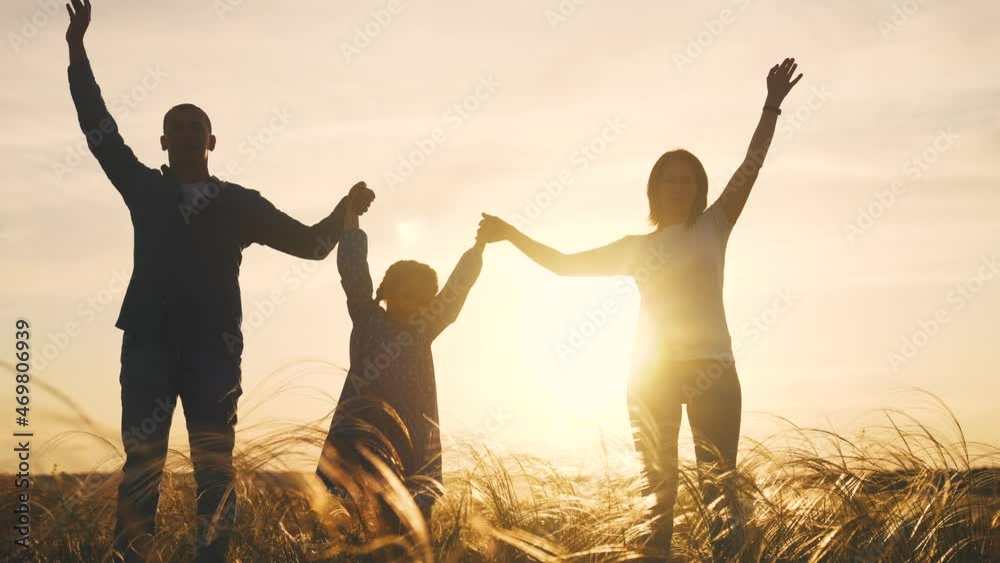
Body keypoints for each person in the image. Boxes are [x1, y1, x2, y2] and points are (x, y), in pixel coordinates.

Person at [63, 1, 375, 561]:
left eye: (195, 128)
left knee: (214, 468)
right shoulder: (145, 189)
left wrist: (344, 209)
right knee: (143, 465)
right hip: (148, 345)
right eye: (175, 128)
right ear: (162, 142)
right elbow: (98, 129)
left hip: (213, 351)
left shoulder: (237, 205)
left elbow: (311, 244)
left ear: (212, 141)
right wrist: (76, 49)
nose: (185, 134)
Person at [478, 58, 803, 560]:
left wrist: (771, 106)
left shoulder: (714, 226)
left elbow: (751, 165)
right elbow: (564, 266)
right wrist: (509, 234)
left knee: (720, 492)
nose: (679, 187)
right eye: (669, 180)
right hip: (651, 374)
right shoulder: (636, 247)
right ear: (654, 189)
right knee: (659, 499)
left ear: (699, 189)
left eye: (687, 180)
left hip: (713, 370)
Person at [317, 187, 487, 538]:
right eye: (408, 295)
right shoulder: (367, 319)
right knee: (354, 531)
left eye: (425, 299)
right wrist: (352, 217)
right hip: (361, 439)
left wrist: (479, 248)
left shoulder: (425, 330)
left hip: (414, 444)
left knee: (412, 534)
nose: (416, 305)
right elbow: (353, 271)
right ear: (387, 293)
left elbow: (456, 290)